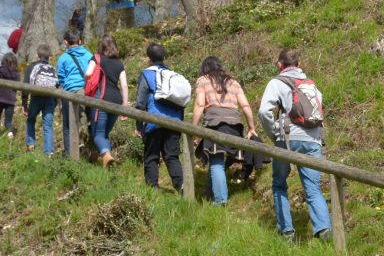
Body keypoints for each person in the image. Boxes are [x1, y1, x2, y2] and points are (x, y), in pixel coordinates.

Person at [258, 49, 330, 241]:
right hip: (314, 139)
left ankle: (287, 232)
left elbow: (264, 111)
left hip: (288, 138)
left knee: (279, 184)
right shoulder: (311, 85)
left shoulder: (277, 82)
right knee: (313, 188)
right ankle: (324, 232)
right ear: (298, 64)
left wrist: (274, 133)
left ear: (280, 65)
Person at [191, 56, 258, 206]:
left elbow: (200, 105)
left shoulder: (203, 80)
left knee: (216, 162)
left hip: (215, 123)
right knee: (218, 159)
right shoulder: (233, 82)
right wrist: (251, 128)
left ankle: (220, 200)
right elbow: (246, 106)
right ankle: (210, 191)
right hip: (235, 124)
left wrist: (193, 129)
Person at [134, 42, 184, 190]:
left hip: (154, 122)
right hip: (174, 122)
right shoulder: (173, 75)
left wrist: (139, 126)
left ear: (149, 58)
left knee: (151, 157)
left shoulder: (147, 74)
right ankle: (181, 186)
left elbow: (141, 103)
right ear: (164, 57)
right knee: (172, 157)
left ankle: (152, 189)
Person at [83, 35, 128, 169]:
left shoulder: (96, 58)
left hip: (101, 98)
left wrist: (87, 85)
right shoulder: (119, 63)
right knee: (104, 133)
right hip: (116, 101)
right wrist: (125, 106)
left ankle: (106, 155)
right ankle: (104, 162)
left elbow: (87, 73)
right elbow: (124, 86)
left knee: (98, 135)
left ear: (102, 46)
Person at [57, 28, 92, 155]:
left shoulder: (63, 58)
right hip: (85, 91)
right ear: (80, 41)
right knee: (84, 119)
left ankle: (69, 154)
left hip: (69, 92)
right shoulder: (89, 55)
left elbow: (60, 78)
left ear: (66, 42)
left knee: (67, 125)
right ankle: (85, 147)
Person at [22, 44, 58, 155]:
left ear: (38, 55)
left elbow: (25, 86)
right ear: (49, 57)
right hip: (49, 99)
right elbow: (57, 86)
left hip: (36, 98)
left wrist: (24, 104)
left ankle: (31, 144)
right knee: (48, 126)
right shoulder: (52, 69)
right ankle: (49, 152)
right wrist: (54, 103)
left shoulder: (31, 67)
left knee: (31, 120)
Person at [0, 52, 20, 137]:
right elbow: (17, 86)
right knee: (8, 121)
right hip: (10, 100)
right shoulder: (16, 74)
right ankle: (10, 133)